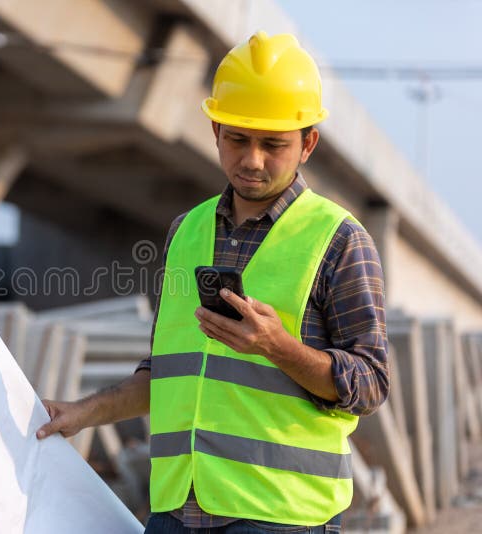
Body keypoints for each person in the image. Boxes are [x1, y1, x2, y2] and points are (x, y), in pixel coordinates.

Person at [37, 30, 389, 533]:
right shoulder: (187, 231)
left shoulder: (340, 241)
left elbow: (371, 385)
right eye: (238, 139)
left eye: (274, 144)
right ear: (215, 129)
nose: (252, 160)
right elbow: (170, 372)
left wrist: (277, 346)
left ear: (308, 143)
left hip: (279, 518)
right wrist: (81, 413)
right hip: (177, 510)